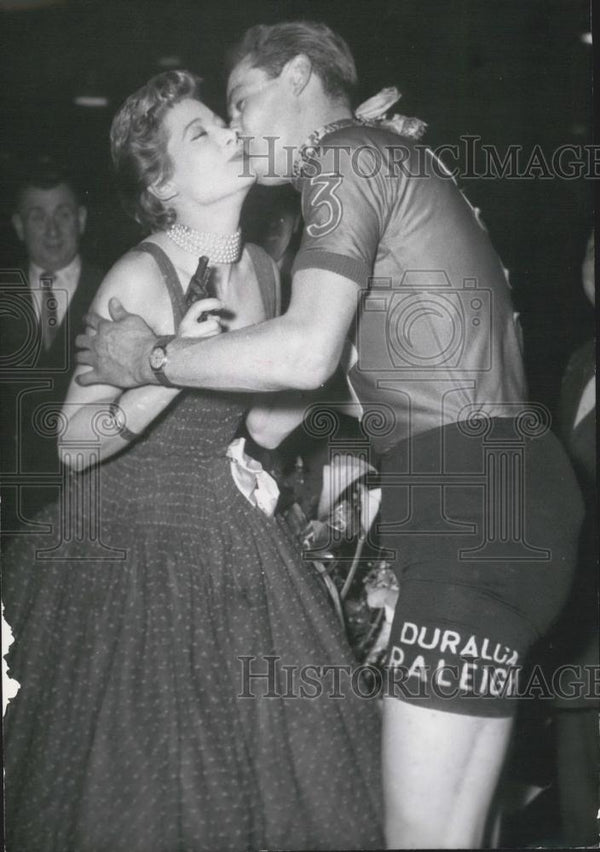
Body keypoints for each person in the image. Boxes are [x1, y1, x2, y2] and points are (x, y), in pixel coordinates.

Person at [75, 22, 584, 849]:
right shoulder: (383, 155)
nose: (238, 127)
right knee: (453, 835)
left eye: (241, 100)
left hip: (465, 498)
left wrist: (152, 357)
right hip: (508, 495)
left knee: (417, 837)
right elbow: (312, 392)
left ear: (298, 75)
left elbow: (307, 350)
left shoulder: (345, 155)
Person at [2, 70, 384, 852]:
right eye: (200, 132)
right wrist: (165, 371)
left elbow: (265, 423)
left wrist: (346, 363)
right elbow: (73, 441)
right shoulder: (142, 274)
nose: (229, 132)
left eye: (222, 119)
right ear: (163, 185)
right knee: (141, 770)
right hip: (127, 545)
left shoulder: (268, 272)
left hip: (224, 532)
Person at [0, 162, 104, 527]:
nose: (52, 229)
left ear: (81, 219)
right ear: (18, 226)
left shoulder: (116, 290)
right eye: (37, 216)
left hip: (90, 494)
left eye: (62, 214)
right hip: (11, 501)